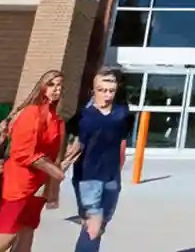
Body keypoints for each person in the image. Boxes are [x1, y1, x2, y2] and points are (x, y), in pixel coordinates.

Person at [0, 70, 69, 252]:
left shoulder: (57, 120)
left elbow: (55, 154)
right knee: (6, 235)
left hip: (38, 187)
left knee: (27, 233)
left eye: (60, 86)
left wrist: (52, 180)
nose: (56, 89)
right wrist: (53, 170)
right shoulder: (31, 113)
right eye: (51, 84)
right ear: (42, 87)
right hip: (19, 184)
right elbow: (22, 152)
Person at [67, 67, 135, 252]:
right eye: (102, 90)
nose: (107, 95)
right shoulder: (83, 117)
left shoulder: (122, 114)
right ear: (93, 91)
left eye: (111, 91)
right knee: (93, 225)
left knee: (100, 225)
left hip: (112, 178)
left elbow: (121, 141)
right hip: (88, 178)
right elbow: (71, 145)